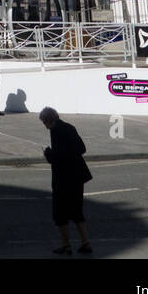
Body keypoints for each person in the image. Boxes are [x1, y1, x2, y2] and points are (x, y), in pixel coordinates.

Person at [39, 106, 93, 255]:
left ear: (49, 120)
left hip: (63, 179)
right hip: (77, 177)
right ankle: (85, 243)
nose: (45, 126)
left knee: (60, 213)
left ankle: (66, 245)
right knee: (77, 211)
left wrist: (48, 153)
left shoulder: (56, 131)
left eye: (44, 122)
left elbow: (58, 158)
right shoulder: (69, 127)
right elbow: (82, 148)